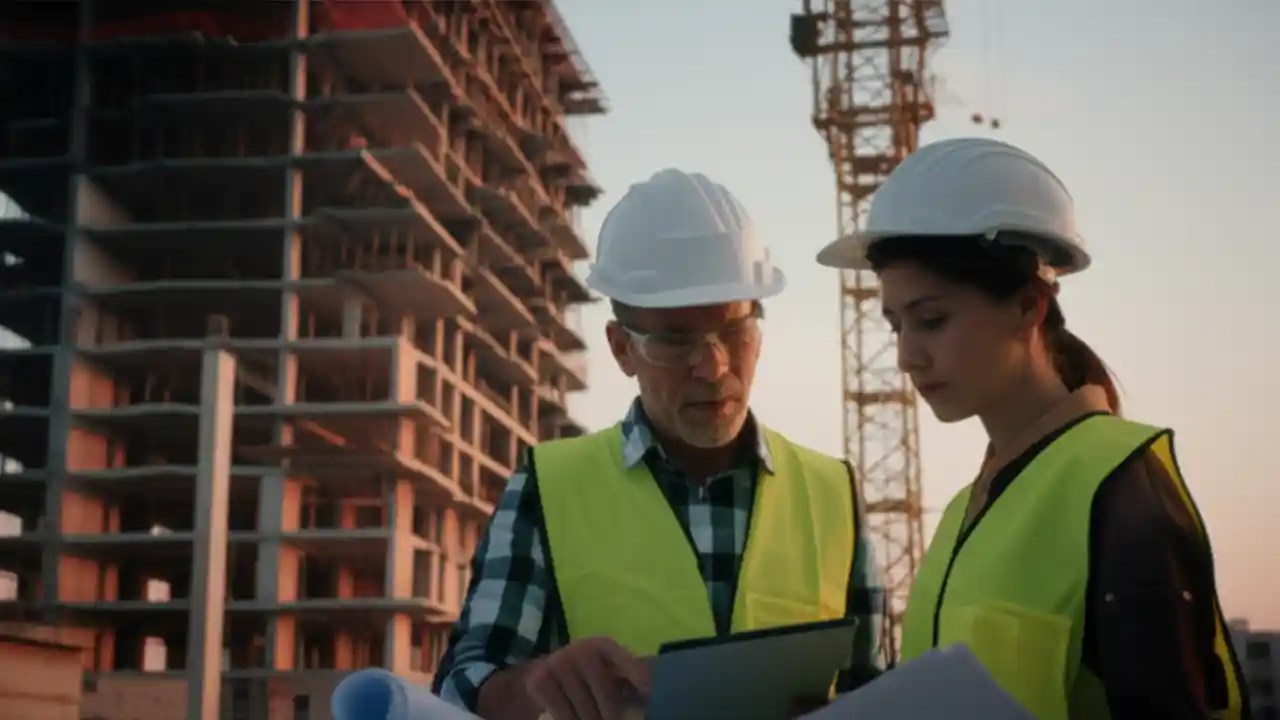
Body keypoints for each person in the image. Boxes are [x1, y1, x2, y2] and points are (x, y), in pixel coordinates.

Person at [814, 137, 1250, 719]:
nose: (907, 356)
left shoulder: (1117, 486)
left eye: (932, 320)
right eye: (896, 326)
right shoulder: (966, 512)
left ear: (1028, 307)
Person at [432, 168, 888, 720]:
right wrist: (535, 683)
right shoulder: (549, 486)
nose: (713, 366)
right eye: (676, 340)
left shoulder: (831, 492)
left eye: (733, 332)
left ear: (759, 335)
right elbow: (461, 686)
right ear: (621, 349)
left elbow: (873, 695)